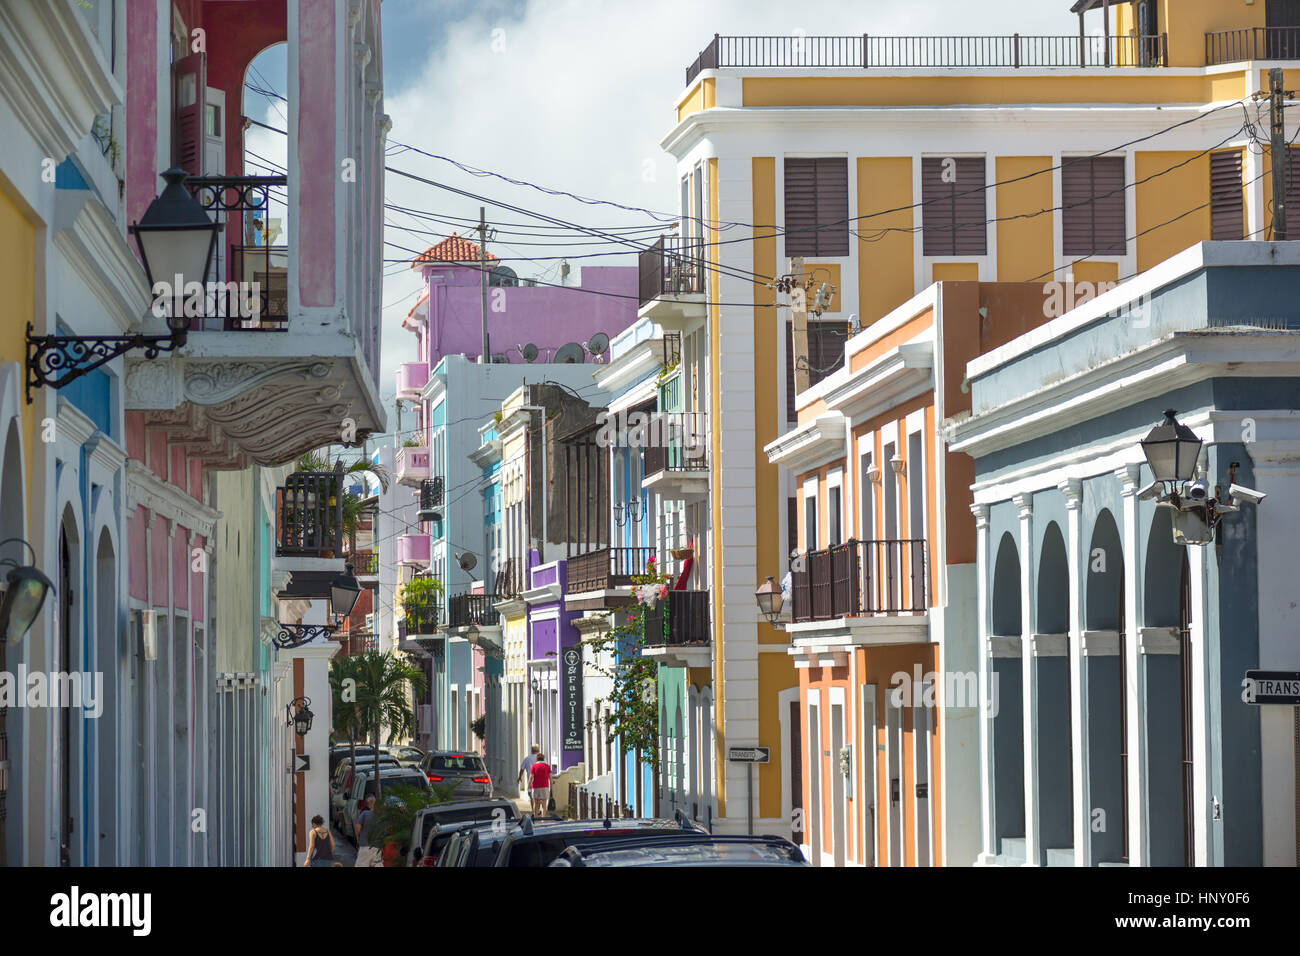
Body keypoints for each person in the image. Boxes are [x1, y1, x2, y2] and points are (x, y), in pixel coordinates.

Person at [354, 794, 383, 867]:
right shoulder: (382, 817)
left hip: (365, 846)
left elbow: (358, 826)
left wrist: (358, 838)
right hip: (377, 848)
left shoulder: (365, 813)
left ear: (372, 805)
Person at [528, 752, 553, 816]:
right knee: (544, 805)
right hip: (545, 787)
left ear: (537, 759)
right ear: (543, 759)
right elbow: (550, 778)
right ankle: (543, 820)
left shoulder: (534, 766)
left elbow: (531, 778)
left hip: (536, 787)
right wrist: (551, 788)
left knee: (536, 804)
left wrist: (528, 786)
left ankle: (535, 818)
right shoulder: (547, 766)